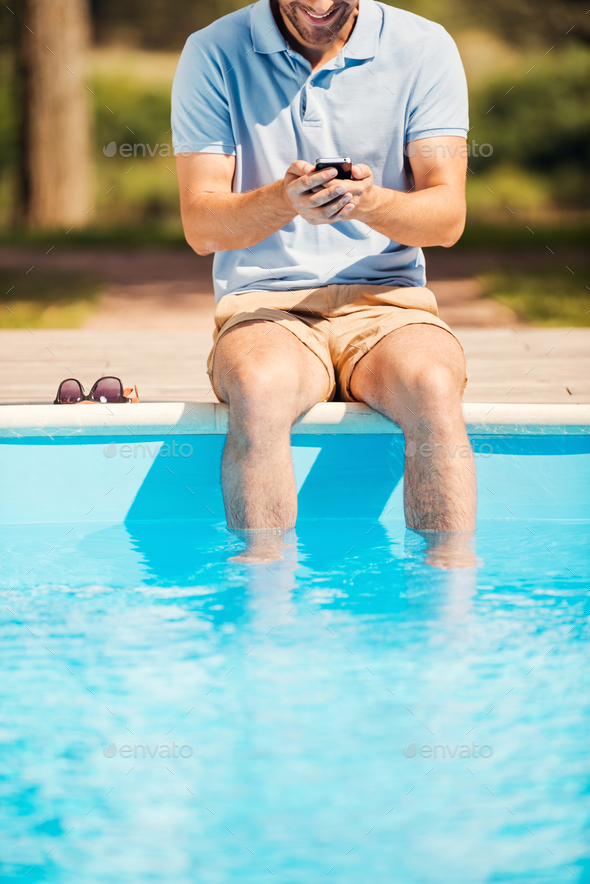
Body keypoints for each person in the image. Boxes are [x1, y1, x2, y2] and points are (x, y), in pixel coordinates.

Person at [172, 0, 477, 544]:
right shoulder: (213, 51)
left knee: (433, 384)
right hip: (266, 308)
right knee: (258, 387)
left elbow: (447, 218)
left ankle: (449, 604)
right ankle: (263, 606)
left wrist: (369, 202)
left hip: (390, 305)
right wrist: (284, 200)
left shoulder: (425, 46)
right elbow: (202, 225)